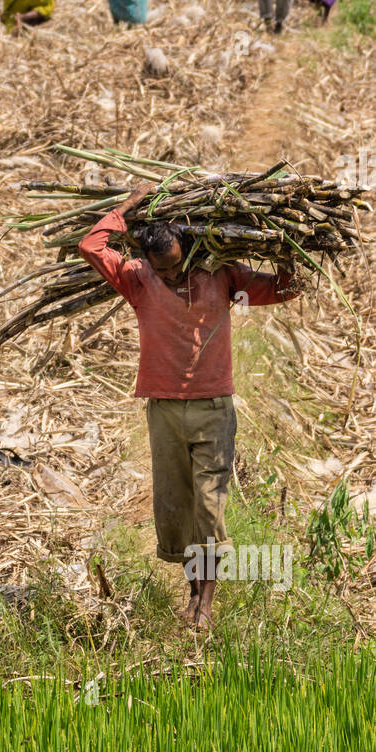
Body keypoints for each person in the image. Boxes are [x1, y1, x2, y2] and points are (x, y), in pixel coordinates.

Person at [78, 182, 300, 630]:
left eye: (177, 268)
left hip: (213, 409)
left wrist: (282, 245)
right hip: (162, 411)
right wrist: (129, 206)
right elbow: (90, 245)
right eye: (164, 271)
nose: (173, 277)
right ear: (148, 265)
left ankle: (206, 607)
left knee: (210, 507)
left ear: (189, 248)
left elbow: (287, 288)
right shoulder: (138, 280)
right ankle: (193, 594)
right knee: (176, 505)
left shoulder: (222, 276)